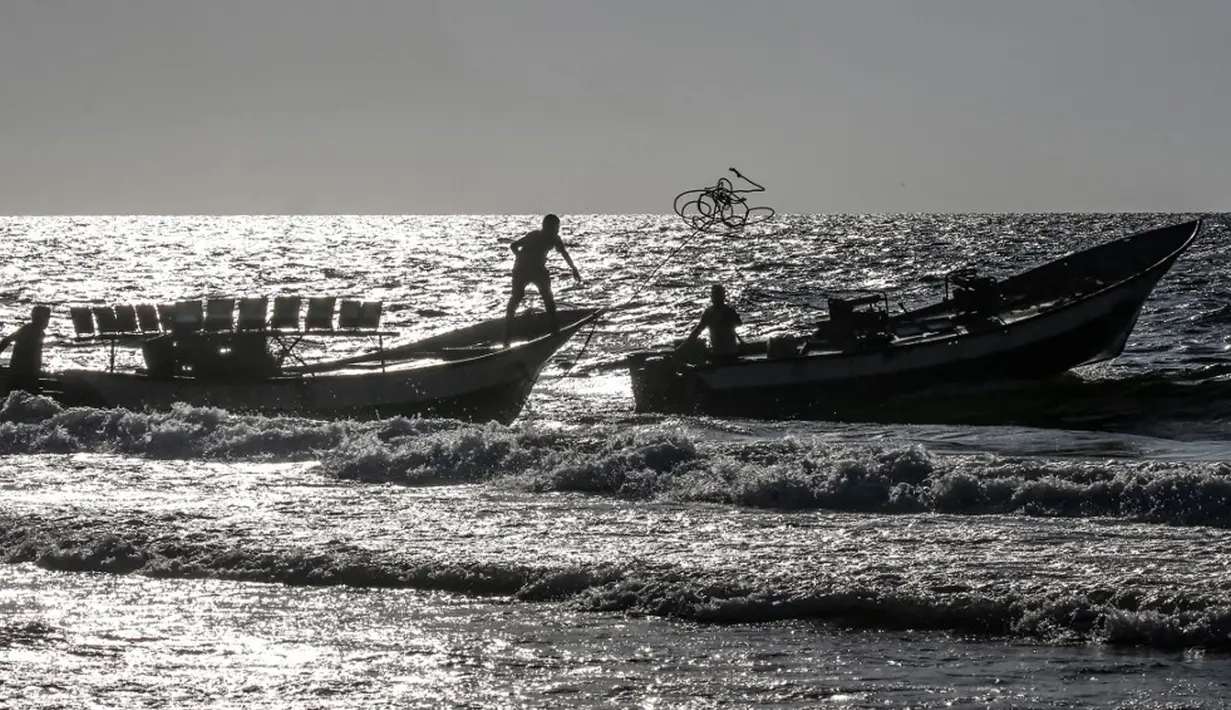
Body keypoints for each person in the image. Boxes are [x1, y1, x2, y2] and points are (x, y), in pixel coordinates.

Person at [503, 214, 582, 347]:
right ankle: (506, 336)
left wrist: (573, 268)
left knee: (548, 298)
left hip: (538, 269)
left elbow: (564, 253)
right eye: (555, 227)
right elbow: (513, 246)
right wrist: (521, 257)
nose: (557, 230)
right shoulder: (534, 236)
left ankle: (554, 330)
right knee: (517, 297)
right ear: (546, 227)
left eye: (558, 227)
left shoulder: (555, 239)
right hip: (522, 269)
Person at [680, 285, 742, 360]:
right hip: (716, 353)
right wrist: (683, 346)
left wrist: (731, 319)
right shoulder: (708, 313)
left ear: (723, 297)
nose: (717, 298)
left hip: (730, 352)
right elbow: (698, 330)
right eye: (715, 295)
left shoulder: (729, 311)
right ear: (712, 297)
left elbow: (739, 323)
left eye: (719, 295)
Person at [0, 305, 51, 394]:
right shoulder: (35, 332)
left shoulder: (25, 329)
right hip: (26, 373)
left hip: (18, 370)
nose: (47, 321)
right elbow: (33, 355)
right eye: (47, 318)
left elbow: (6, 340)